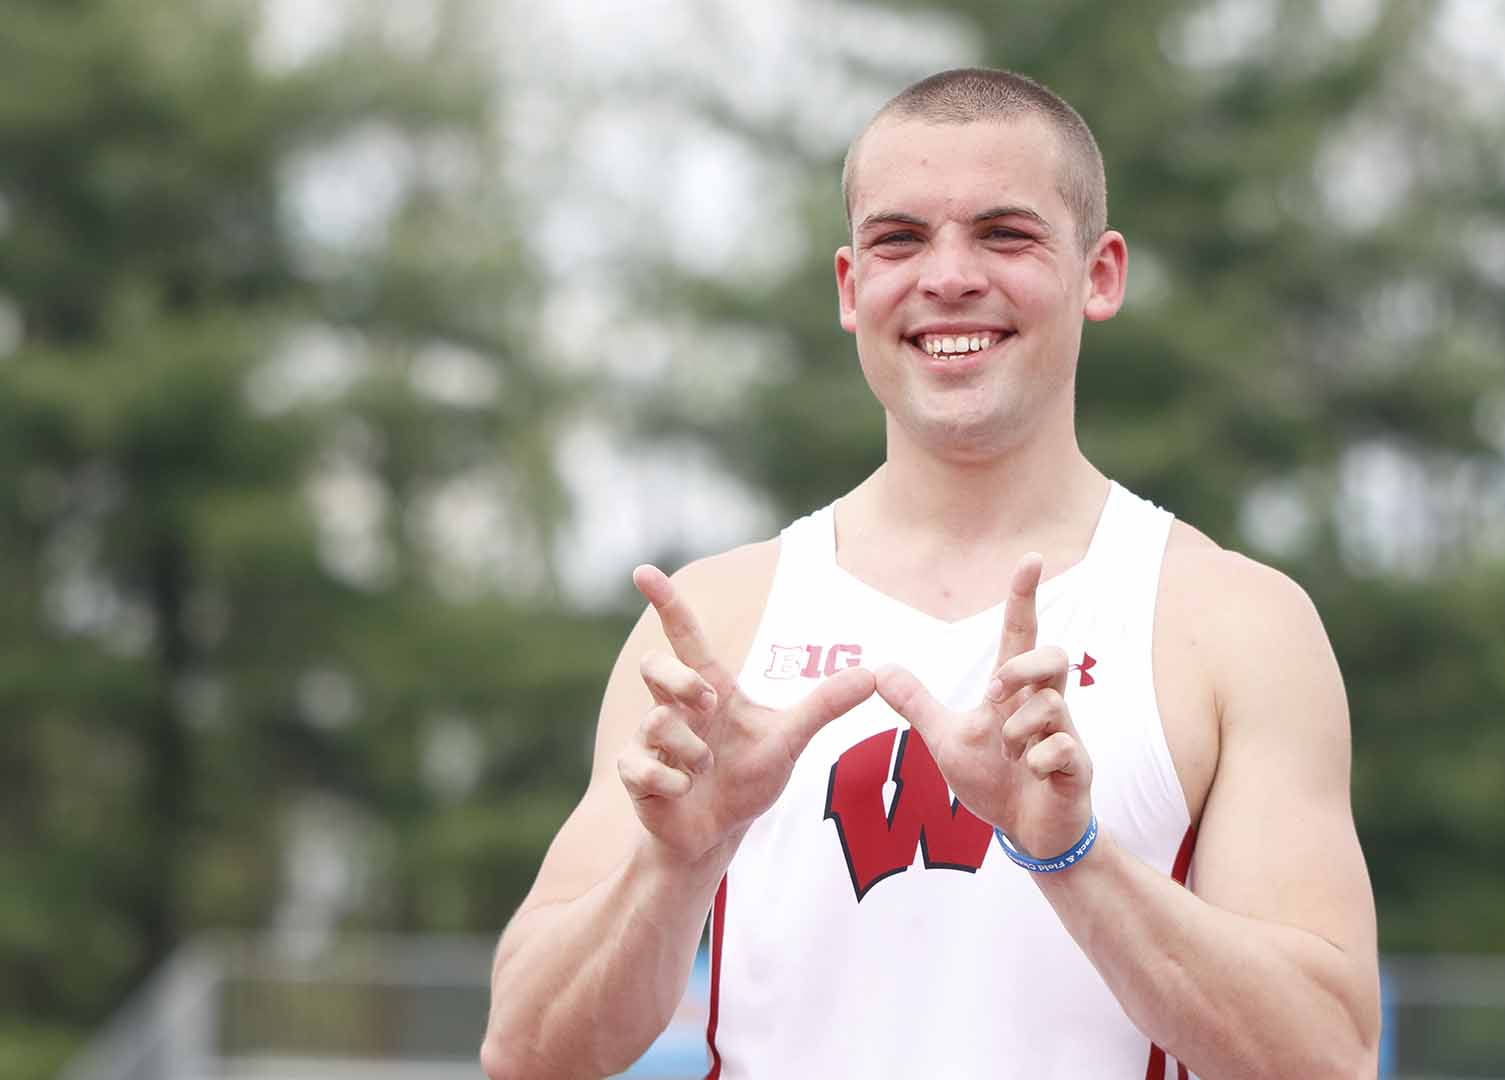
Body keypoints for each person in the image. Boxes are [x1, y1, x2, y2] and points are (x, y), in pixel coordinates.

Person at [481, 68, 1379, 1080]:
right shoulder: (716, 623)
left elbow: (1325, 1059)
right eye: (900, 240)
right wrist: (677, 864)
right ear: (850, 287)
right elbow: (526, 1052)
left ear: (1102, 272)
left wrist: (1073, 857)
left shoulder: (1232, 621)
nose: (948, 277)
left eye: (1005, 234)